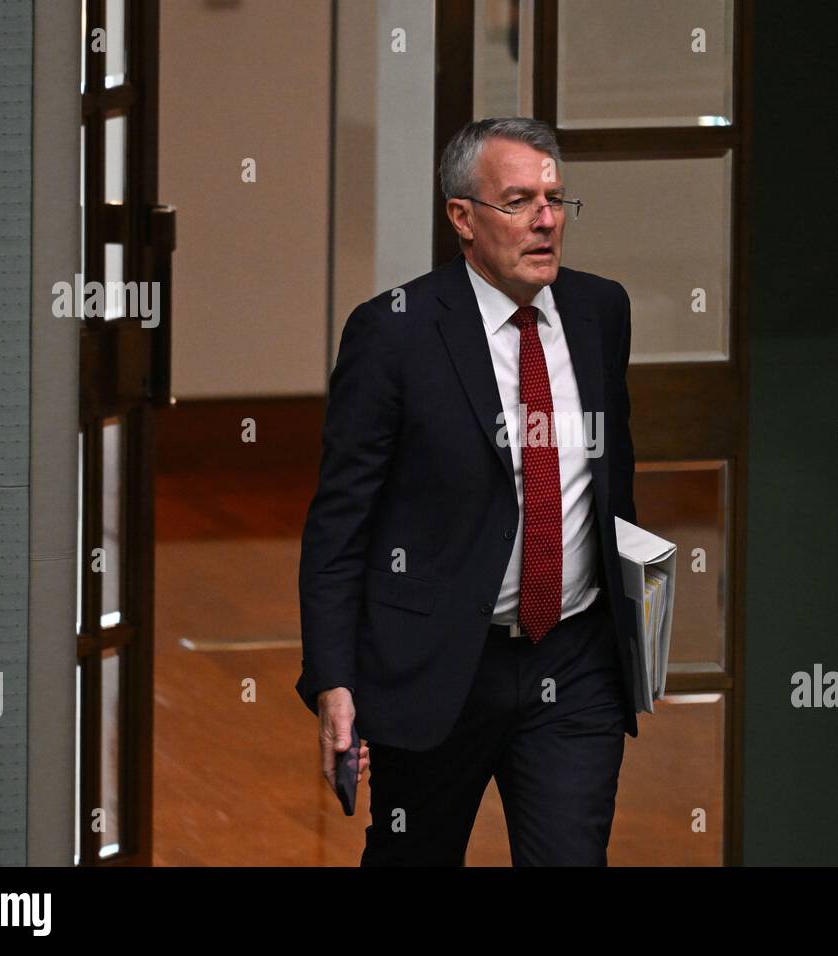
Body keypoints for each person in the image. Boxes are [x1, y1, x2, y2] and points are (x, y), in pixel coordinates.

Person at [296, 116, 639, 865]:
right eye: (518, 201)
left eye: (555, 199)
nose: (546, 219)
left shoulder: (600, 311)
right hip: (437, 666)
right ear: (463, 217)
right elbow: (339, 525)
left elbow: (612, 481)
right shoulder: (395, 333)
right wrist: (334, 682)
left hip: (574, 664)